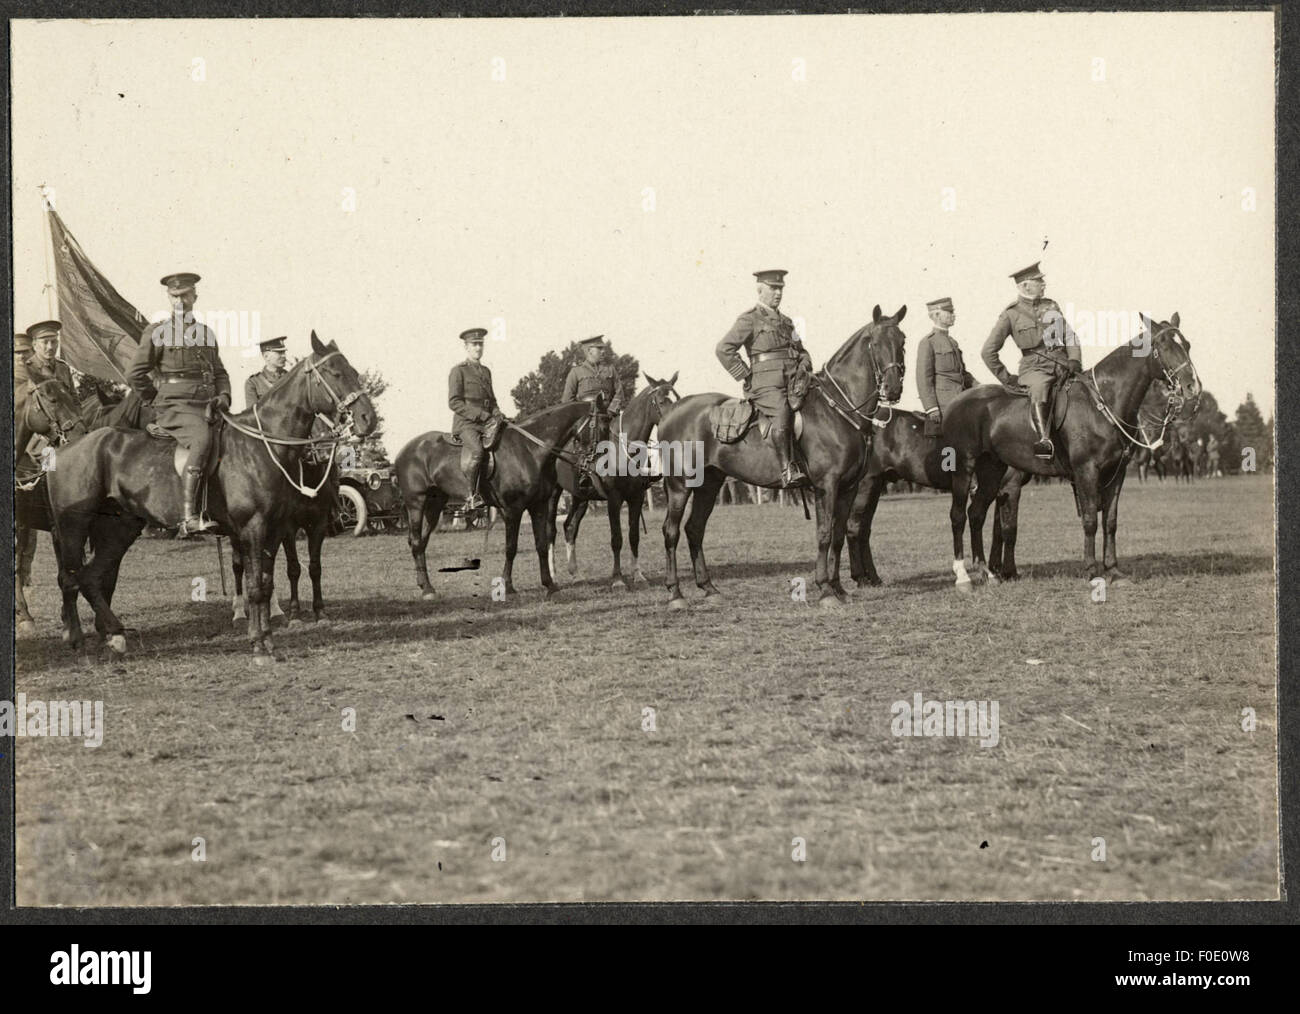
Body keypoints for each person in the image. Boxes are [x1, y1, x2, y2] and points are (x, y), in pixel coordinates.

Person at [127, 272, 231, 537]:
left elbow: (220, 372)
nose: (180, 302)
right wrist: (155, 400)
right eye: (174, 297)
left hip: (209, 406)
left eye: (185, 295)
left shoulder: (206, 333)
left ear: (195, 296)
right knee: (202, 439)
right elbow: (135, 374)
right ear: (168, 298)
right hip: (175, 407)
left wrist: (224, 396)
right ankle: (189, 517)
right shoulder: (157, 332)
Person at [715, 268, 813, 487]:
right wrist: (746, 376)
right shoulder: (749, 319)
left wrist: (805, 364)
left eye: (780, 289)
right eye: (773, 288)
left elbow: (802, 350)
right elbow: (724, 349)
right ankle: (787, 469)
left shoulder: (788, 322)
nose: (778, 293)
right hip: (765, 385)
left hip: (793, 381)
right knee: (782, 411)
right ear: (760, 290)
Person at [981, 262, 1082, 459]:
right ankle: (1044, 440)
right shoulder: (1011, 314)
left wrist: (1074, 360)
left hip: (1062, 363)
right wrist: (1006, 378)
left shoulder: (1051, 306)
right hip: (1034, 368)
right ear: (1025, 286)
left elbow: (1069, 336)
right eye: (1039, 281)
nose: (1044, 284)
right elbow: (988, 351)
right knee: (1039, 388)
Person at [448, 327, 502, 511]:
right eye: (474, 344)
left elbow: (492, 400)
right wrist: (481, 415)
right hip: (467, 423)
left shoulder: (486, 371)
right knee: (478, 452)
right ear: (466, 347)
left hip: (487, 421)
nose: (478, 348)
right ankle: (472, 495)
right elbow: (454, 403)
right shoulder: (458, 371)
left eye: (480, 344)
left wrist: (497, 413)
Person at [915, 297, 975, 436]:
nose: (953, 315)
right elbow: (923, 379)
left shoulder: (952, 342)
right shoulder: (928, 342)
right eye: (949, 312)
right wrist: (931, 408)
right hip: (943, 407)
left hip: (961, 400)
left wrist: (981, 387)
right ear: (936, 315)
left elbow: (963, 374)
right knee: (949, 448)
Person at [24, 320, 77, 392]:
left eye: (53, 342)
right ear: (34, 345)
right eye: (45, 342)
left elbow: (74, 398)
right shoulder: (27, 368)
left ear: (58, 343)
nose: (50, 347)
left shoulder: (63, 367)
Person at [244, 336, 289, 407]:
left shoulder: (291, 377)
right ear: (266, 356)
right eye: (279, 353)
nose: (284, 356)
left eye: (284, 352)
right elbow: (252, 415)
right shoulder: (253, 382)